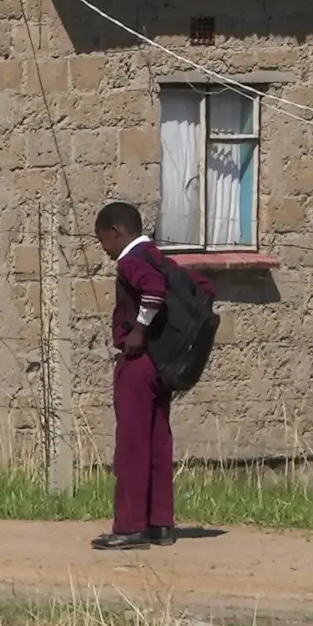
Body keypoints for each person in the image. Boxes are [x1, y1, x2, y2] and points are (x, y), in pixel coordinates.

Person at [92, 200, 206, 551]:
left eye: (104, 242)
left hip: (139, 361)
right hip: (163, 363)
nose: (106, 252)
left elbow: (154, 291)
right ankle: (159, 523)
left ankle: (130, 526)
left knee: (132, 444)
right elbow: (203, 286)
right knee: (158, 439)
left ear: (116, 232)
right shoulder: (159, 256)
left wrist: (139, 330)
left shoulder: (131, 261)